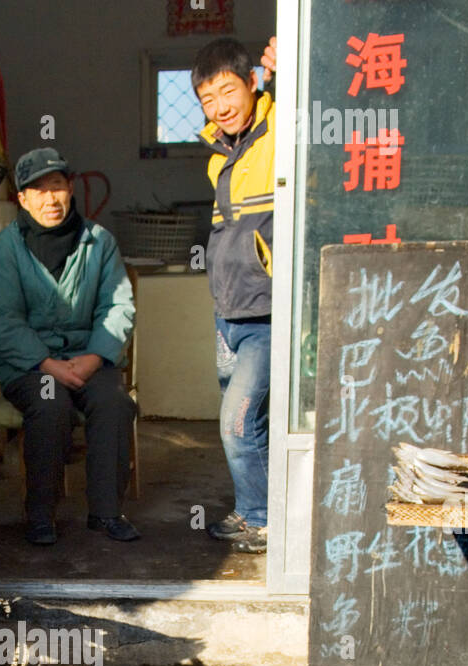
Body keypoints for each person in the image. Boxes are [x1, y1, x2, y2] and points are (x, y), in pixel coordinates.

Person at [0, 148, 139, 546]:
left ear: (71, 188)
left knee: (114, 403)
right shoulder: (6, 249)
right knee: (51, 405)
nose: (49, 199)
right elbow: (2, 320)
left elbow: (118, 305)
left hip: (89, 358)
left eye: (56, 187)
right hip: (30, 366)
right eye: (37, 190)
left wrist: (93, 359)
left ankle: (106, 512)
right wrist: (47, 363)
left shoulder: (99, 243)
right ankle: (41, 514)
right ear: (22, 199)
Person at [195, 36, 277, 554]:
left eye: (228, 91)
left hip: (268, 316)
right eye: (208, 99)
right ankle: (260, 509)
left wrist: (289, 70)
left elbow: (305, 113)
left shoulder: (277, 133)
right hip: (229, 314)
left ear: (252, 83)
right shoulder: (220, 156)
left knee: (237, 422)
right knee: (247, 418)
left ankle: (261, 518)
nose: (220, 107)